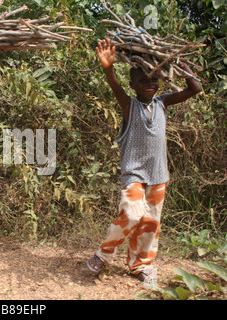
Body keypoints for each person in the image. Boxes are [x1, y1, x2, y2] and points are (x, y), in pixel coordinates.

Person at [86, 39, 202, 281]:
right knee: (131, 213)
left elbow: (195, 89)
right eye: (143, 81)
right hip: (134, 173)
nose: (149, 84)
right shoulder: (129, 106)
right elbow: (115, 86)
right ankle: (104, 254)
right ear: (133, 85)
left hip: (158, 173)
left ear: (159, 81)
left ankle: (140, 265)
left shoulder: (163, 103)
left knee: (150, 222)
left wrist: (177, 61)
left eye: (153, 79)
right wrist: (108, 68)